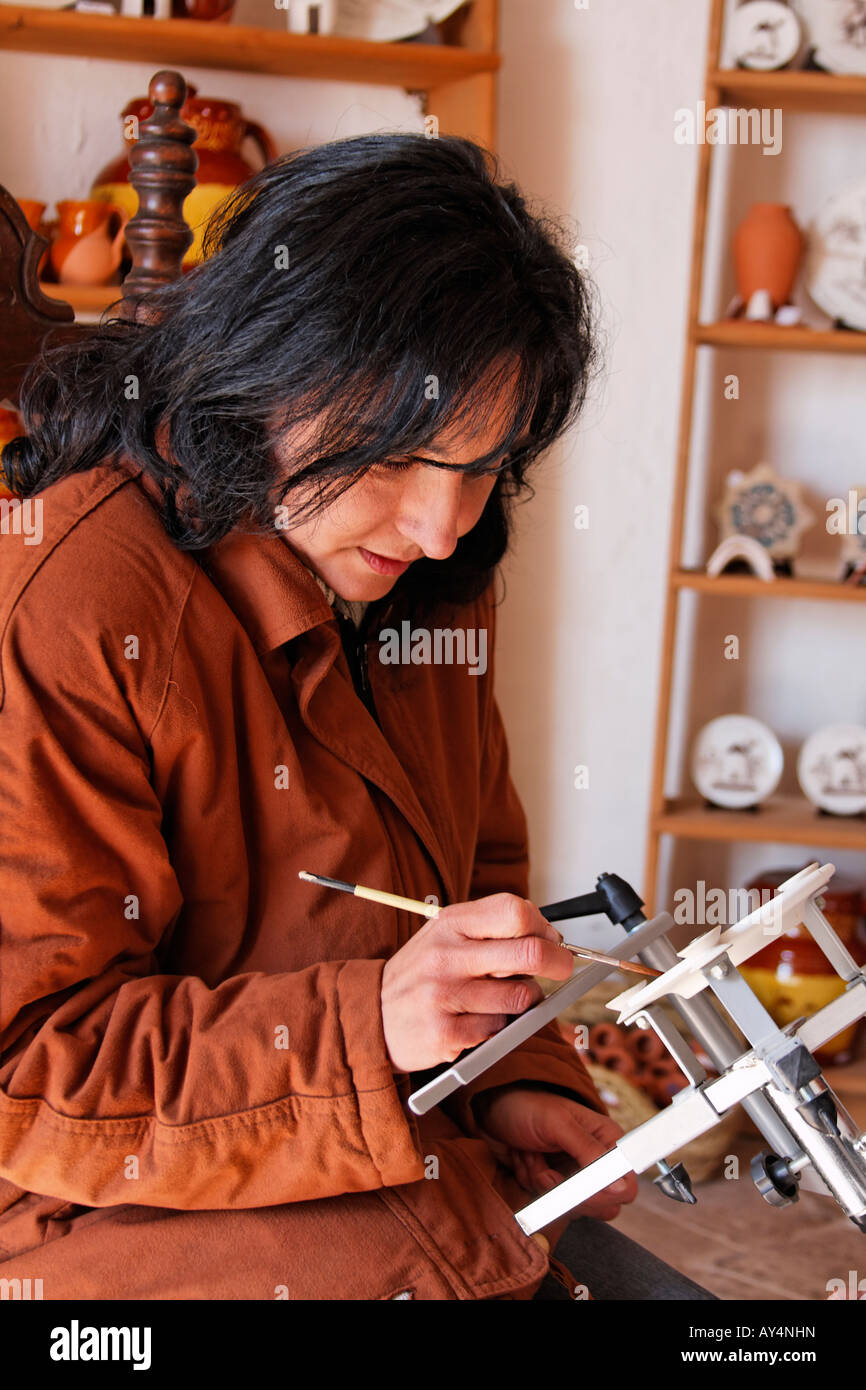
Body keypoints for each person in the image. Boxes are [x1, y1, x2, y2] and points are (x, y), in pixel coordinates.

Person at [0, 134, 716, 1301]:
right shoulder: (74, 605)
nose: (440, 525)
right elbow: (26, 1074)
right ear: (265, 371)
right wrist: (366, 1028)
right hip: (105, 1213)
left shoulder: (433, 577)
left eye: (484, 466)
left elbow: (476, 880)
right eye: (397, 457)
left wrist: (512, 1077)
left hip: (378, 1150)